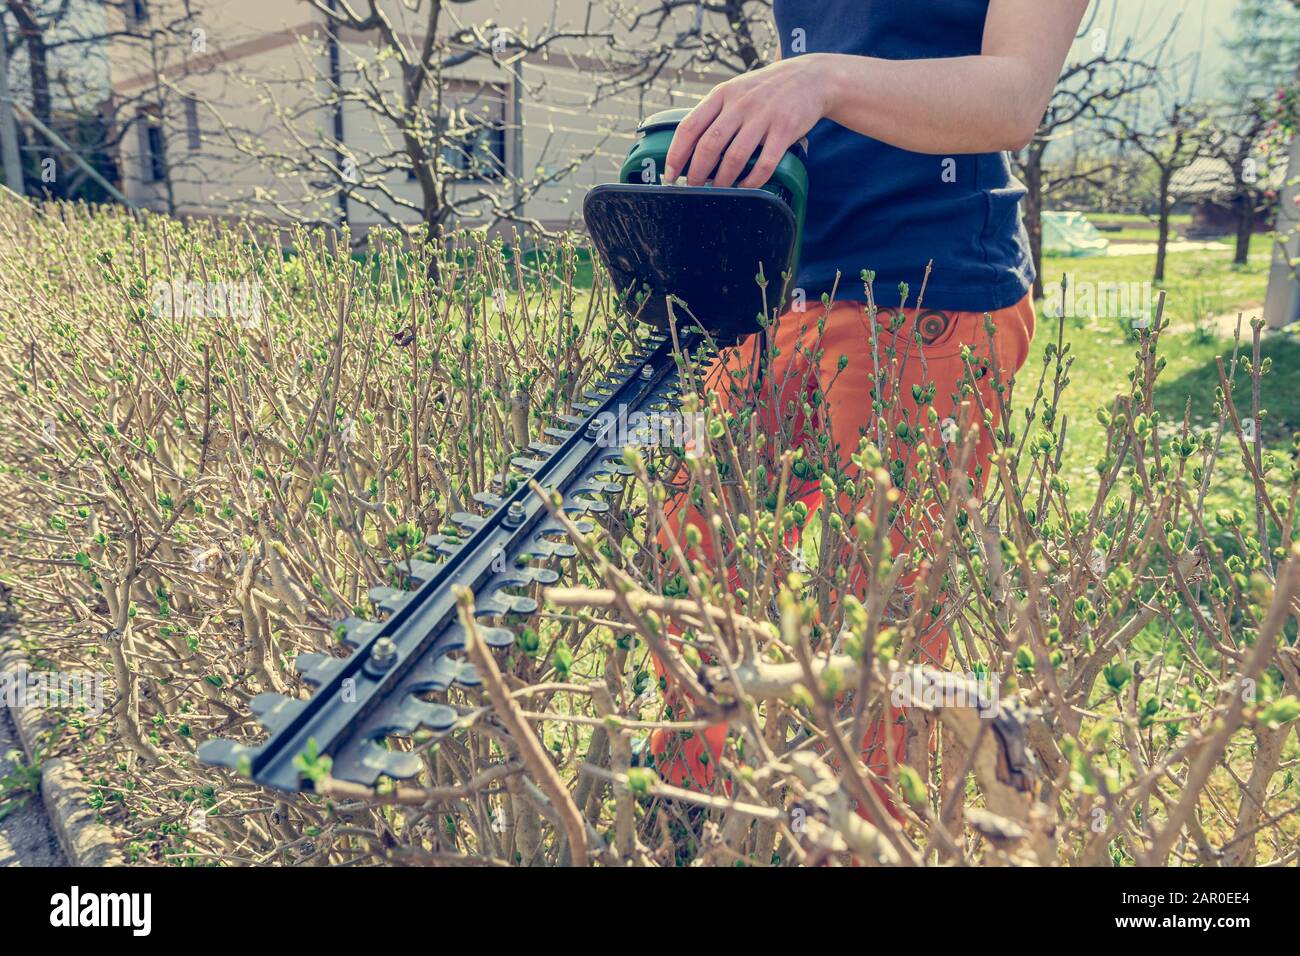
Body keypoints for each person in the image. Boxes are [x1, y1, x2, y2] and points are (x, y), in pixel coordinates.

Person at [647, 0, 1090, 795]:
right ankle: (686, 810)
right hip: (784, 276)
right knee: (691, 558)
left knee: (879, 614)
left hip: (933, 290)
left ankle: (866, 836)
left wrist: (821, 79)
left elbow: (1014, 96)